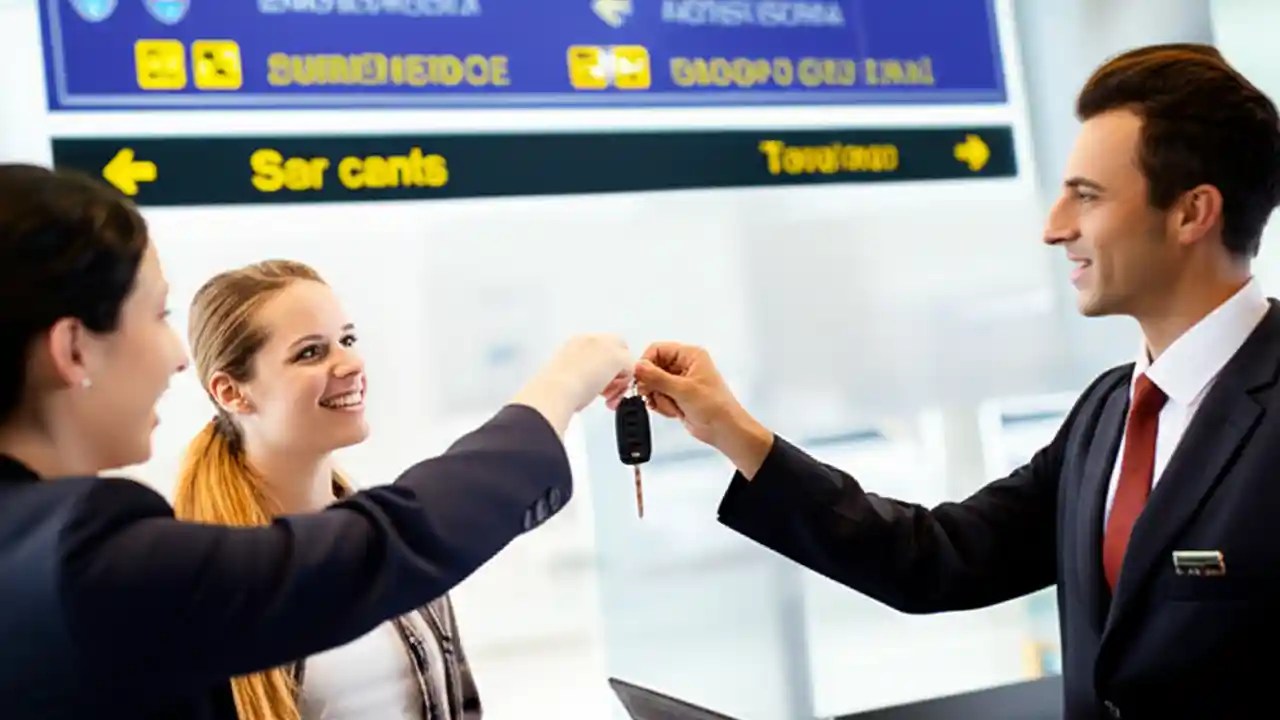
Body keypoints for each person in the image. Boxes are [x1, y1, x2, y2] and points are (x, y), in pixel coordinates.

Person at [627, 44, 1280, 720]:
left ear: (1191, 213)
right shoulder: (1107, 413)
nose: (1054, 228)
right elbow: (938, 558)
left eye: (1086, 196)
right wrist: (736, 434)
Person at [0, 163, 634, 719]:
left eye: (347, 340)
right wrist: (558, 390)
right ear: (73, 348)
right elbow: (382, 547)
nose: (174, 358)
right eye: (159, 315)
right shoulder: (83, 556)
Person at [171, 259, 483, 720]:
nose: (352, 363)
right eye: (311, 352)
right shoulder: (201, 582)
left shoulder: (394, 539)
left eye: (348, 340)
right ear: (232, 392)